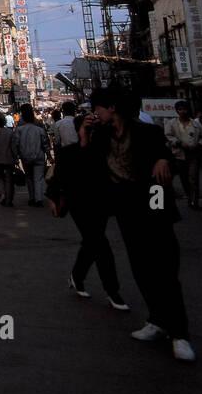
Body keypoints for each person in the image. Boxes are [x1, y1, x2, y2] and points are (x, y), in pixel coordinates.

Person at [80, 87, 194, 362]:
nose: (95, 114)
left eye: (98, 108)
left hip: (154, 208)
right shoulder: (103, 137)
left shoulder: (147, 132)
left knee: (165, 271)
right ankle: (156, 321)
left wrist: (163, 159)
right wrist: (84, 137)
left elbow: (171, 159)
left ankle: (179, 334)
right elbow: (90, 169)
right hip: (126, 210)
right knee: (141, 268)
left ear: (112, 108)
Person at [46, 103, 127, 310]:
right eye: (85, 129)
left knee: (92, 242)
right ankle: (113, 291)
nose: (90, 132)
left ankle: (77, 275)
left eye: (92, 129)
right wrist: (53, 200)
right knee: (100, 244)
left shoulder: (103, 150)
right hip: (78, 204)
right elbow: (58, 179)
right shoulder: (70, 153)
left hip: (101, 203)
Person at [163, 101, 202, 210]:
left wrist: (198, 145)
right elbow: (168, 136)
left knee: (193, 178)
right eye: (180, 109)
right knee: (184, 179)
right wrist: (178, 143)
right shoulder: (171, 123)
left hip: (193, 155)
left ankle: (194, 201)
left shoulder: (195, 124)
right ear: (177, 111)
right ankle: (189, 197)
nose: (183, 112)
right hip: (179, 155)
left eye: (184, 109)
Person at [12, 103, 50, 207]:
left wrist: (15, 157)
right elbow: (45, 143)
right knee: (38, 178)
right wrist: (49, 156)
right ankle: (39, 199)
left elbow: (15, 144)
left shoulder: (19, 128)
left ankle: (32, 198)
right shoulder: (39, 127)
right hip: (39, 156)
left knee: (29, 177)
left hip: (25, 156)